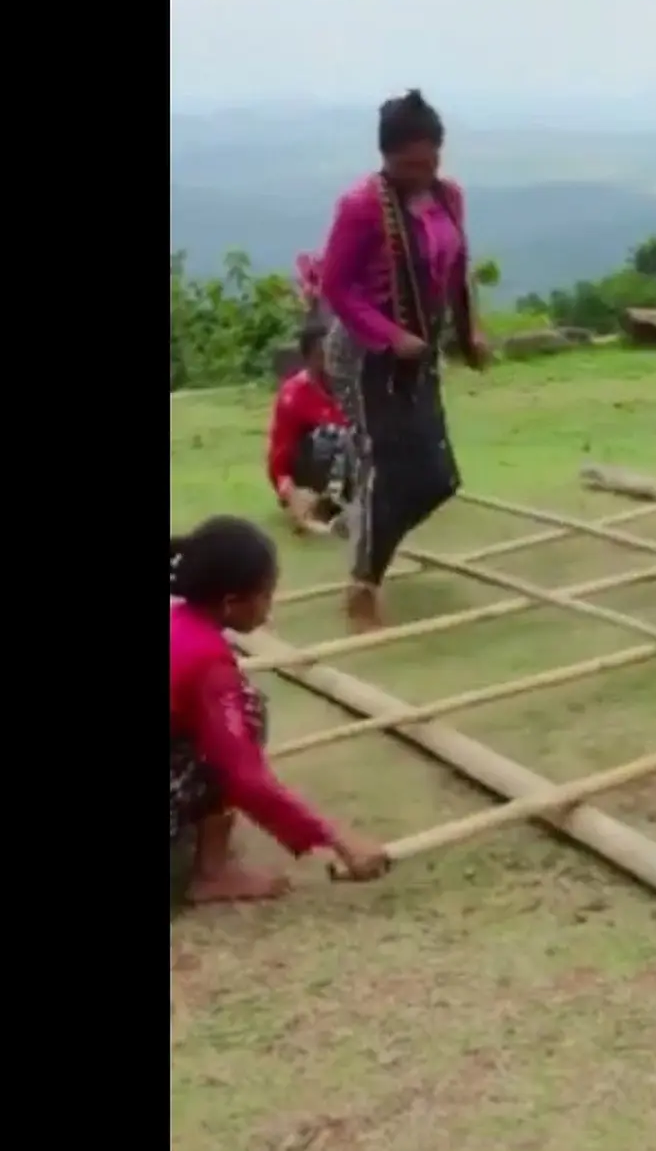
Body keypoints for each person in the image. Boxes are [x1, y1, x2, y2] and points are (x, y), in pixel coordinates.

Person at [320, 89, 491, 631]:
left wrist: (469, 331)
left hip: (420, 351)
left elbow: (457, 268)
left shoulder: (449, 197)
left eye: (430, 161)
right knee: (387, 468)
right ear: (387, 157)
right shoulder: (361, 206)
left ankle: (361, 525)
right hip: (364, 356)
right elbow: (336, 288)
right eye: (409, 164)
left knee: (437, 477)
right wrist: (389, 335)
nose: (421, 173)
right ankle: (362, 586)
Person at [170, 515, 389, 903]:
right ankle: (212, 874)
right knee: (245, 716)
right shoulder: (208, 661)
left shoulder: (178, 619)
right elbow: (245, 778)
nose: (270, 608)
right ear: (231, 602)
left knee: (229, 714)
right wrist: (338, 840)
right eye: (266, 595)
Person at [267, 321, 352, 535]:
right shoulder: (293, 396)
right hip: (314, 469)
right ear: (308, 360)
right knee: (329, 438)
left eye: (333, 354)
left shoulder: (354, 387)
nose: (329, 363)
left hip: (350, 467)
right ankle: (322, 504)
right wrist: (290, 493)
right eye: (321, 356)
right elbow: (279, 463)